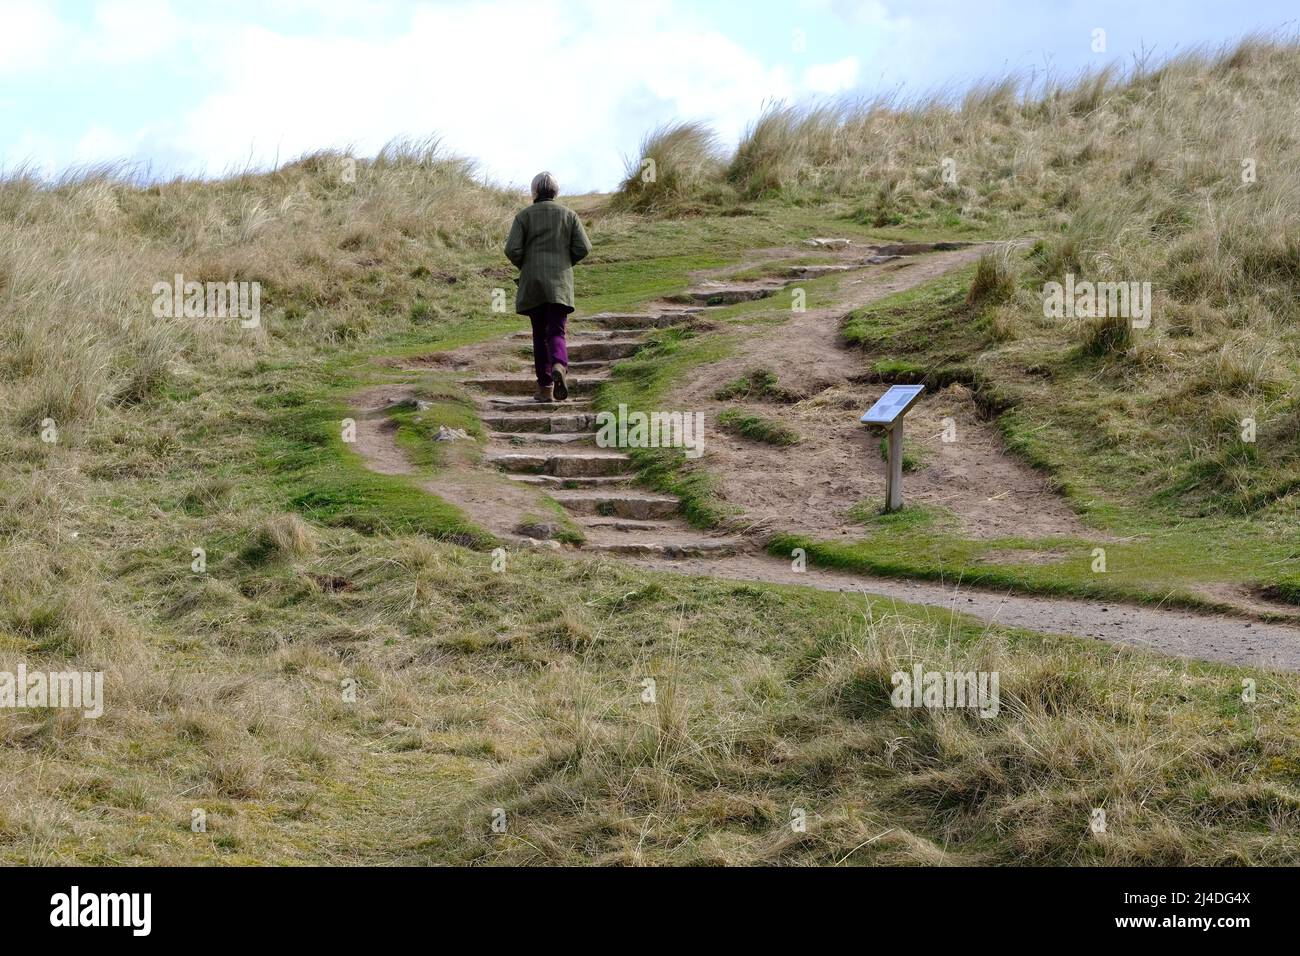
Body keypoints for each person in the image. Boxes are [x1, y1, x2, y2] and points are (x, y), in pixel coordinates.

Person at [504, 171, 592, 403]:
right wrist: (564, 263)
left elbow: (511, 249)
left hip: (533, 283)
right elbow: (583, 247)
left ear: (534, 192)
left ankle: (545, 389)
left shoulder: (523, 216)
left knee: (538, 335)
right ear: (556, 191)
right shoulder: (569, 215)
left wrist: (529, 264)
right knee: (556, 330)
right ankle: (560, 365)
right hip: (559, 284)